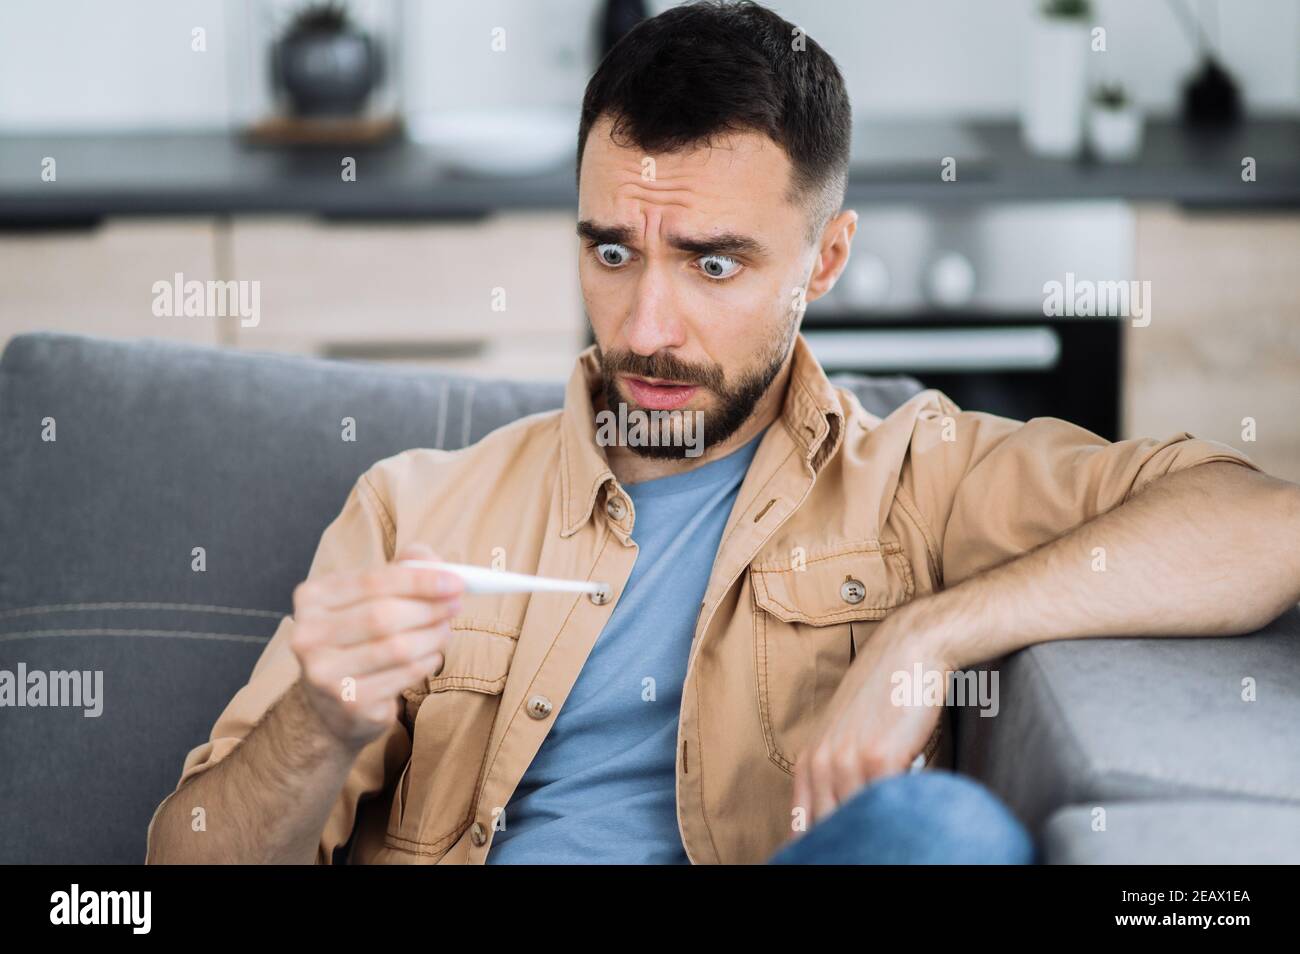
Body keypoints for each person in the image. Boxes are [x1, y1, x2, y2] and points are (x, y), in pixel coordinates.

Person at [145, 1, 1299, 865]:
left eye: (712, 263)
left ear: (824, 260)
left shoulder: (917, 479)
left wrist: (926, 638)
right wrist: (317, 723)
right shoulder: (414, 509)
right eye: (611, 253)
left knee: (940, 831)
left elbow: (1262, 526)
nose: (646, 328)